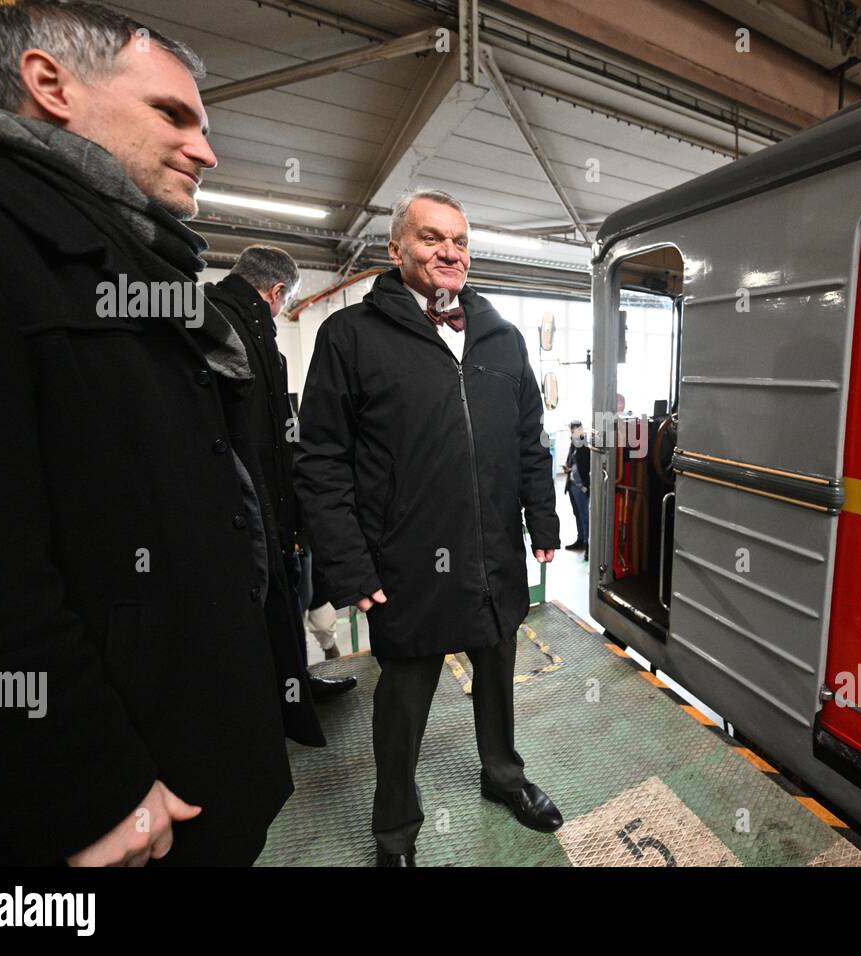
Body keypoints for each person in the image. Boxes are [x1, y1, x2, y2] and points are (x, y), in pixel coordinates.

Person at [0, 0, 315, 865]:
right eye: (172, 114)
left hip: (192, 757)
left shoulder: (134, 260)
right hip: (111, 806)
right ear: (50, 85)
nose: (206, 149)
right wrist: (85, 788)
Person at [296, 188, 564, 867]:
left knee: (497, 675)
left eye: (460, 241)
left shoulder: (501, 335)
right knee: (404, 701)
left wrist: (542, 515)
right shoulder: (351, 336)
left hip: (495, 554)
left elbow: (530, 439)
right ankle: (395, 829)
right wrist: (348, 567)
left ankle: (503, 776)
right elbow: (321, 461)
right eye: (431, 238)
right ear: (396, 249)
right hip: (407, 562)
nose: (449, 252)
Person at [206, 246, 356, 704]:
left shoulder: (209, 317)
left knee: (284, 605)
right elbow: (260, 441)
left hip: (245, 511)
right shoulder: (241, 330)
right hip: (254, 513)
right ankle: (285, 698)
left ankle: (290, 689)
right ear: (276, 292)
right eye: (285, 303)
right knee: (275, 605)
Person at [561, 420, 591, 555]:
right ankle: (580, 539)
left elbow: (585, 465)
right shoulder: (572, 443)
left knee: (585, 515)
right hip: (572, 485)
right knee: (577, 514)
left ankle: (587, 544)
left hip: (581, 486)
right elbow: (572, 461)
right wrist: (568, 468)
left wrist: (585, 485)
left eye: (575, 430)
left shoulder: (584, 445)